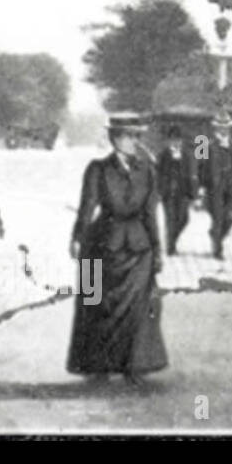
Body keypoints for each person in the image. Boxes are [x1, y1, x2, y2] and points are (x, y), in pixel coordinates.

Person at [66, 113, 167, 387]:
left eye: (137, 136)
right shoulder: (97, 169)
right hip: (102, 243)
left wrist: (157, 249)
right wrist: (77, 238)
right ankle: (96, 365)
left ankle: (134, 365)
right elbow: (87, 207)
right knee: (94, 301)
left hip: (138, 247)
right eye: (128, 136)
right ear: (114, 139)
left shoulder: (147, 170)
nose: (134, 141)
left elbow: (150, 214)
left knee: (138, 308)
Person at [201, 113, 232, 261]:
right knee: (217, 218)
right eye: (221, 127)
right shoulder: (204, 143)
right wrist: (200, 188)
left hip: (230, 187)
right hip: (213, 188)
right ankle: (218, 250)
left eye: (227, 128)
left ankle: (215, 236)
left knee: (230, 218)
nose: (224, 130)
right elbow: (199, 166)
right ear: (215, 128)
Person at [156, 125, 196, 255]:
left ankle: (172, 241)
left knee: (184, 219)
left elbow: (191, 174)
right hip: (168, 193)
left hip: (183, 192)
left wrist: (193, 193)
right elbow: (158, 174)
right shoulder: (162, 155)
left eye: (178, 139)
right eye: (173, 139)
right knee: (170, 220)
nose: (176, 142)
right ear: (169, 141)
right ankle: (170, 247)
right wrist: (161, 190)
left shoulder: (187, 154)